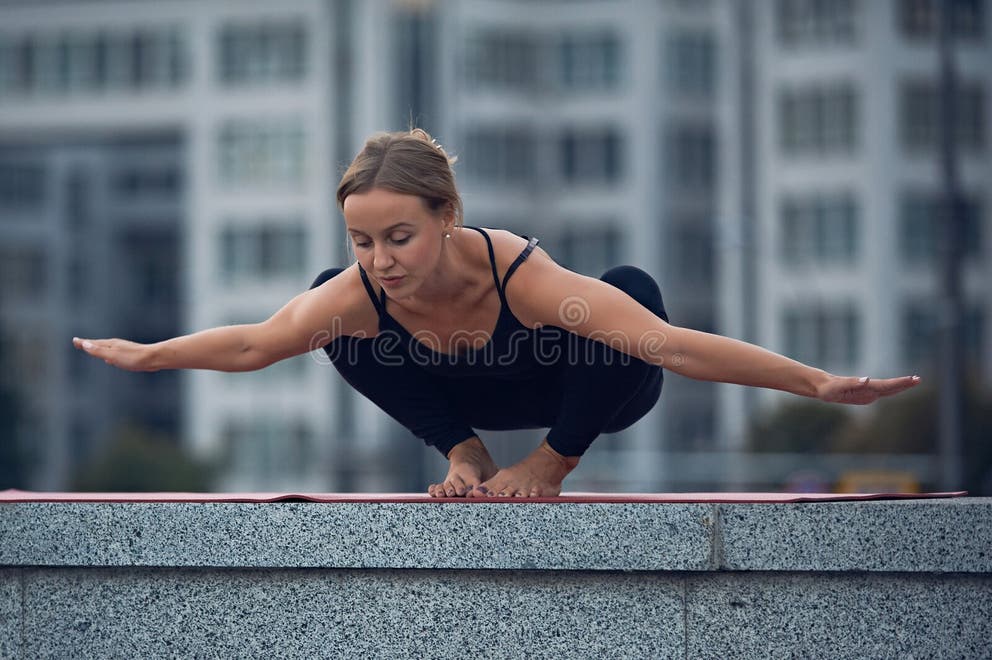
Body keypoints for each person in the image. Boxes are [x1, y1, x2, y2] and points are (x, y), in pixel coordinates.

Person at [72, 128, 921, 498]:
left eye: (399, 237)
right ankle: (466, 455)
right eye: (366, 241)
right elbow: (260, 342)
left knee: (633, 292)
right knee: (330, 316)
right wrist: (151, 356)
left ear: (447, 217)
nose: (382, 261)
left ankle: (549, 465)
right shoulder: (361, 288)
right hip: (468, 398)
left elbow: (673, 348)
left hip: (588, 397)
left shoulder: (525, 277)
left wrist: (816, 382)